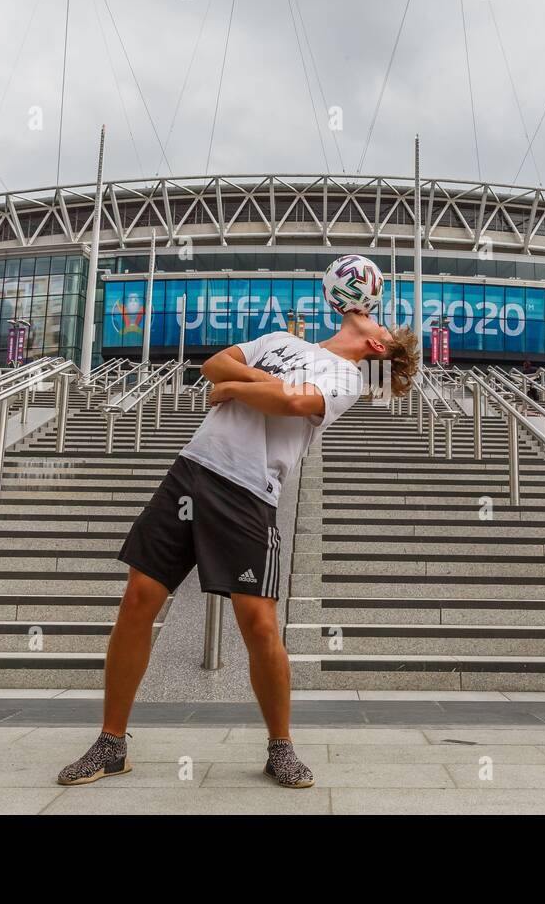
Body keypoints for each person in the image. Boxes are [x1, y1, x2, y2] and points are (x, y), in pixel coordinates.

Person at [57, 310, 419, 788]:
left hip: (249, 490)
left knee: (259, 622)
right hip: (192, 470)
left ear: (377, 347)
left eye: (380, 323)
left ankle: (280, 747)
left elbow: (294, 404)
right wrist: (257, 382)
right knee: (139, 597)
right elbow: (214, 364)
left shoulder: (348, 377)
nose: (373, 317)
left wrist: (236, 388)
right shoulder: (277, 340)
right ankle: (111, 743)